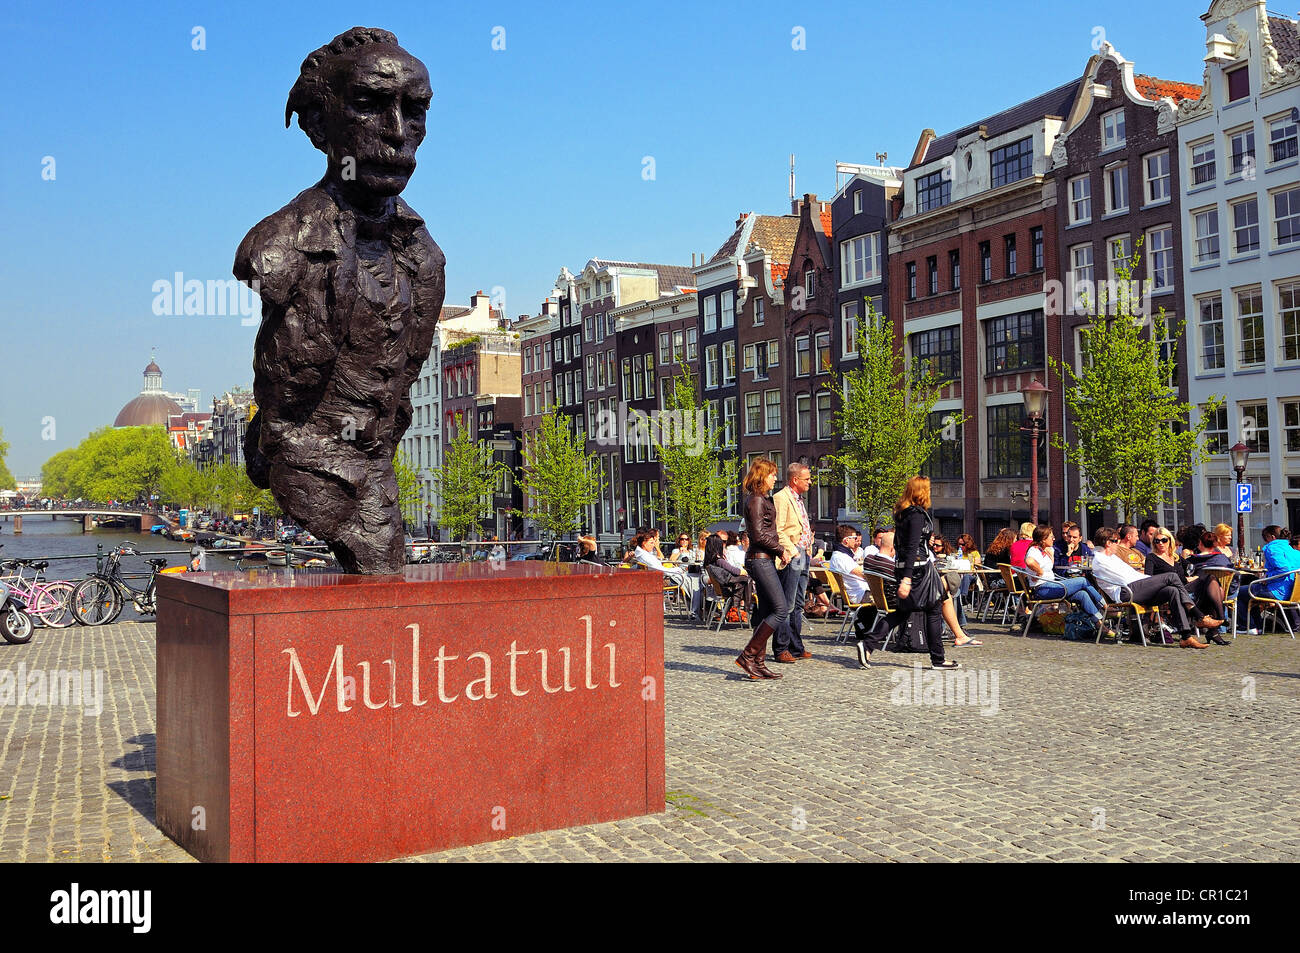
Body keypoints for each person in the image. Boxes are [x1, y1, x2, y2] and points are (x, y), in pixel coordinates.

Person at [1090, 526, 1222, 647]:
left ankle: (1185, 636)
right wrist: (1154, 581)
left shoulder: (1111, 558)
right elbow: (1127, 578)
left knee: (1172, 590)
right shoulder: (1101, 560)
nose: (1118, 544)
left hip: (1135, 588)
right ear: (1108, 543)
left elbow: (1131, 574)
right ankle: (1198, 616)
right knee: (1171, 576)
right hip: (1126, 592)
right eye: (1116, 541)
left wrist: (1152, 581)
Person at [884, 476, 959, 670]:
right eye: (928, 489)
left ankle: (867, 642)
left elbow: (900, 544)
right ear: (921, 491)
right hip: (918, 567)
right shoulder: (917, 514)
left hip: (907, 566)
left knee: (904, 611)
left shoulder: (901, 513)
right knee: (933, 609)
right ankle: (938, 659)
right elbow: (912, 546)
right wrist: (907, 577)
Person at [736, 459, 789, 680]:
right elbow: (757, 535)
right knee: (781, 609)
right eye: (772, 474)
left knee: (767, 612)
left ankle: (758, 663)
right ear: (762, 476)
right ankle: (748, 655)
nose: (775, 478)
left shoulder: (762, 499)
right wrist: (781, 550)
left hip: (764, 559)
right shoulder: (756, 500)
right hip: (760, 560)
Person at [1024, 524, 1109, 627]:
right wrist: (1039, 572)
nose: (1054, 538)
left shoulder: (1044, 550)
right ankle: (1106, 607)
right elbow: (1029, 561)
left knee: (1083, 594)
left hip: (1052, 585)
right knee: (1082, 581)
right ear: (1043, 539)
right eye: (1051, 537)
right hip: (1043, 589)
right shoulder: (1034, 550)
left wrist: (1050, 557)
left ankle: (1100, 624)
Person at [829, 525, 889, 668]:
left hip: (862, 592)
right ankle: (897, 636)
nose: (857, 541)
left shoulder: (843, 555)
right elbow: (863, 573)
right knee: (896, 597)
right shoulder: (841, 557)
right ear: (845, 540)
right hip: (861, 595)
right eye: (854, 538)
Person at [771, 463, 814, 663]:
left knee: (798, 604)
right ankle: (781, 647)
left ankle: (796, 646)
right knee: (786, 604)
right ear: (795, 480)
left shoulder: (798, 499)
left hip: (803, 554)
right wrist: (794, 551)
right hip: (793, 554)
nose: (810, 482)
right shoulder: (781, 497)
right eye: (807, 479)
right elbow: (778, 530)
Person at [633, 529, 703, 619]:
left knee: (696, 580)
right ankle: (696, 611)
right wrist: (677, 569)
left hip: (663, 575)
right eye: (651, 543)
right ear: (644, 543)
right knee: (696, 581)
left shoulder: (643, 553)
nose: (653, 545)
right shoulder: (644, 555)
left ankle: (696, 609)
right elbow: (660, 569)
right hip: (664, 577)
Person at [1181, 530, 1233, 644]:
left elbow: (1185, 574)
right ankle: (1220, 620)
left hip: (1199, 593)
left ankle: (1214, 629)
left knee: (1213, 583)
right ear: (1215, 544)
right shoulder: (1223, 559)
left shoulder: (1192, 560)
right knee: (1213, 582)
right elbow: (1233, 575)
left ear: (1200, 543)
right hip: (1204, 595)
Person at [703, 533, 751, 617]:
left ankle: (735, 608)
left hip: (721, 589)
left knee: (743, 581)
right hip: (727, 589)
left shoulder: (710, 561)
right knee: (747, 579)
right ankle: (745, 607)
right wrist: (745, 572)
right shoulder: (719, 560)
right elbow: (735, 571)